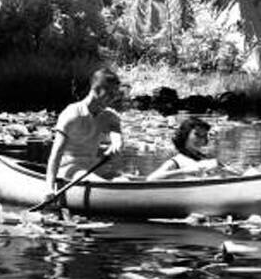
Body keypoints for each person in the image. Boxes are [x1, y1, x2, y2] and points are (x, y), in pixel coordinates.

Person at [45, 68, 130, 196]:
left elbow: (115, 131)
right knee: (96, 180)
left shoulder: (108, 116)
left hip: (93, 167)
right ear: (96, 90)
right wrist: (49, 188)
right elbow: (56, 154)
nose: (113, 98)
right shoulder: (72, 114)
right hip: (69, 170)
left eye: (115, 94)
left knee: (126, 180)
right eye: (110, 94)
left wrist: (117, 142)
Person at [147, 117, 224, 180]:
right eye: (197, 135)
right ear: (185, 135)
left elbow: (233, 173)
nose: (200, 140)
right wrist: (184, 171)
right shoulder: (176, 161)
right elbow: (151, 179)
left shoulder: (208, 159)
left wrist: (222, 169)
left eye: (203, 136)